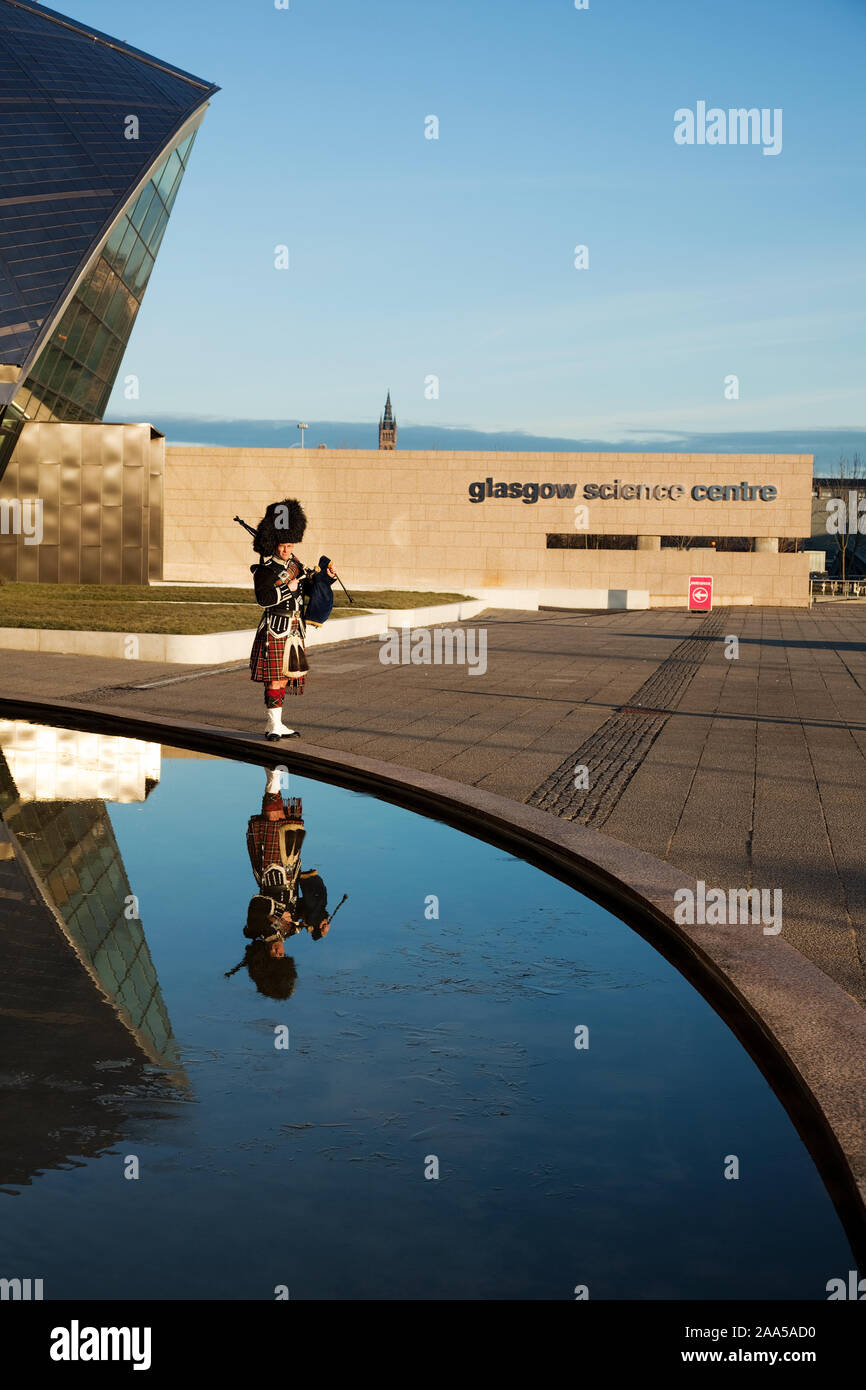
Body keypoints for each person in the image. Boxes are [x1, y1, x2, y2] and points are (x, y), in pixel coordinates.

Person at [248, 498, 309, 741]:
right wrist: (288, 589)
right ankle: (272, 724)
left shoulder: (296, 565)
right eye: (283, 546)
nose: (287, 550)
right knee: (274, 678)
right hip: (275, 628)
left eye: (290, 545)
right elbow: (263, 599)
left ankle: (279, 723)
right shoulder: (264, 571)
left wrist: (327, 578)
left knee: (284, 677)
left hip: (295, 628)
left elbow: (307, 590)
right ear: (274, 545)